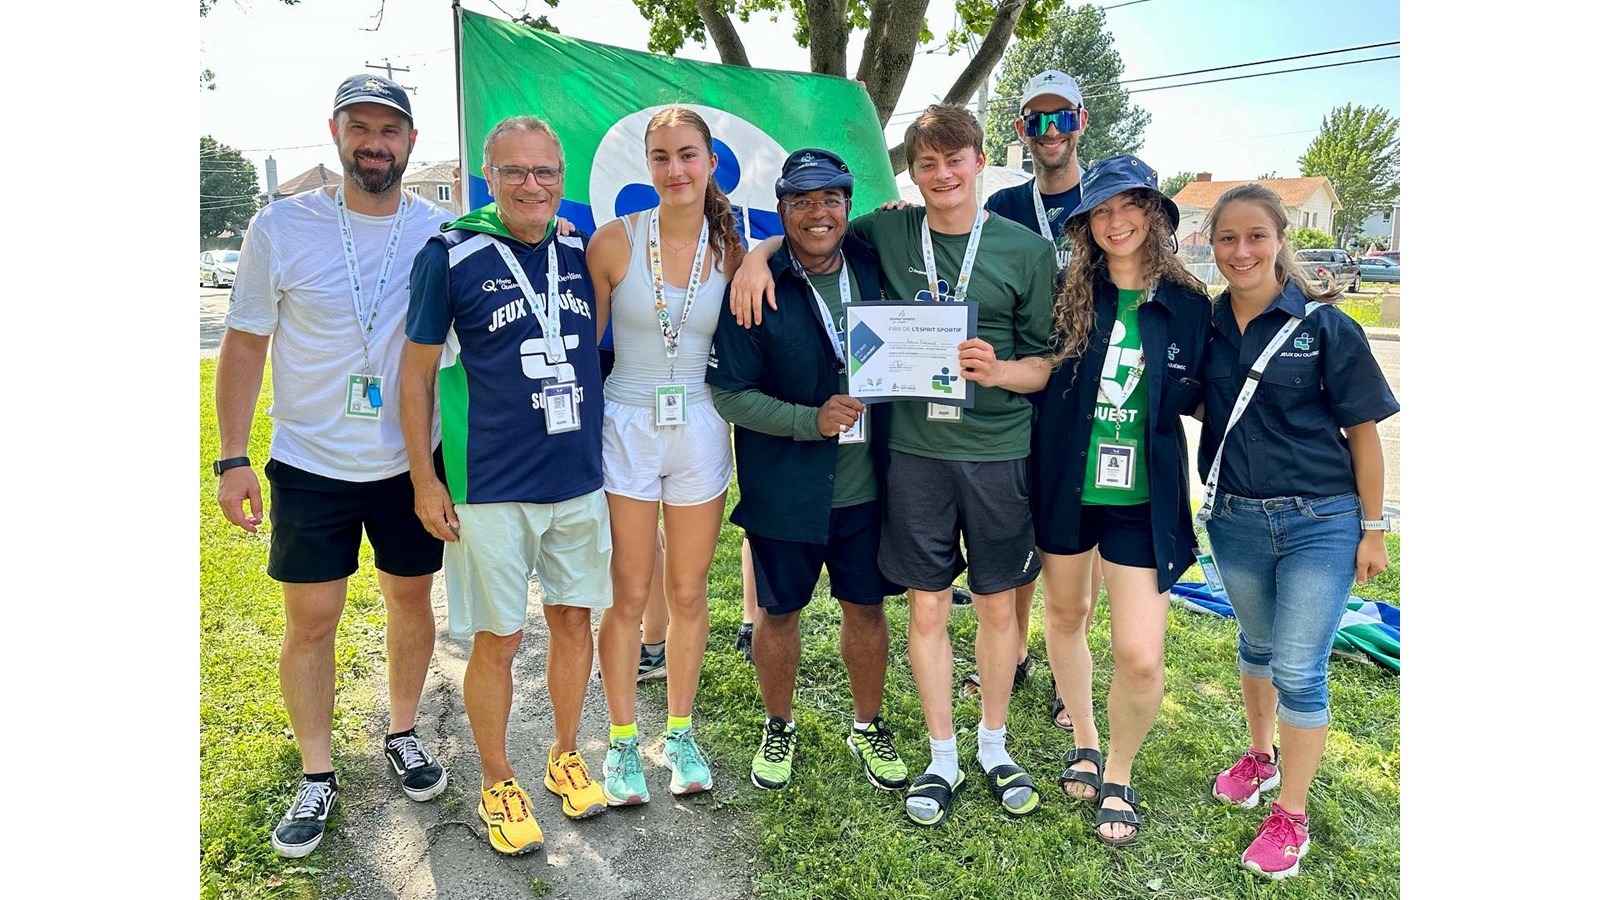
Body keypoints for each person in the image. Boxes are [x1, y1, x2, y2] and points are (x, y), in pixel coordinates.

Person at [731, 105, 1056, 826]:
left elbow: (1046, 363)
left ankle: (991, 744)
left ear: (978, 161)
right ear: (912, 173)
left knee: (995, 606)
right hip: (911, 456)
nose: (942, 175)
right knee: (925, 606)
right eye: (927, 164)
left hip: (994, 451)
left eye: (955, 160)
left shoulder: (1025, 251)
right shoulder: (889, 230)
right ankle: (940, 753)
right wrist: (756, 256)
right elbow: (799, 235)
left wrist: (1000, 372)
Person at [214, 74, 452, 859]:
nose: (375, 143)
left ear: (411, 142)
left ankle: (404, 730)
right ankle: (317, 773)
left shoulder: (443, 231)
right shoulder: (280, 226)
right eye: (361, 127)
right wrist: (231, 456)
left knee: (410, 601)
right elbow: (246, 343)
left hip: (408, 460)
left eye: (391, 129)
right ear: (336, 132)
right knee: (312, 621)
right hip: (309, 460)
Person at [399, 115, 614, 855]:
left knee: (572, 624)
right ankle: (497, 777)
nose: (532, 185)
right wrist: (426, 480)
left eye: (545, 172)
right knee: (497, 637)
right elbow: (417, 374)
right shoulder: (451, 252)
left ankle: (562, 755)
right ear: (489, 176)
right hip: (490, 486)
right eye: (515, 172)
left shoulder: (581, 245)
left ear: (562, 176)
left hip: (579, 479)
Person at [1199, 182, 1396, 879]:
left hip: (1322, 522)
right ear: (1211, 245)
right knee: (1254, 646)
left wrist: (1374, 530)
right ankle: (1259, 755)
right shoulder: (1208, 324)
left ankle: (1292, 813)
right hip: (1237, 520)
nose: (1242, 250)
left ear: (1280, 239)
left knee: (1298, 669)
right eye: (1228, 238)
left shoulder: (1326, 327)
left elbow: (1364, 435)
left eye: (1256, 235)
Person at [706, 148, 909, 793]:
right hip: (787, 485)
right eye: (801, 201)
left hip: (869, 484)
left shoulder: (877, 267)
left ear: (848, 206)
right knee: (778, 611)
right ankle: (777, 723)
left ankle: (869, 725)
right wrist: (806, 420)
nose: (818, 213)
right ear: (782, 209)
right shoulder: (755, 286)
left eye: (831, 199)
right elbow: (729, 392)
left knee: (867, 609)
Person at [1030, 155, 1211, 846]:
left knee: (1139, 653)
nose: (1116, 221)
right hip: (1068, 484)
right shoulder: (1067, 290)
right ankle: (1083, 736)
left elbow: (1210, 391)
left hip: (1144, 497)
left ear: (1155, 215)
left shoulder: (1191, 306)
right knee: (1068, 612)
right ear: (1085, 225)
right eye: (1100, 211)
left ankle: (1121, 774)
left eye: (1129, 205)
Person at [587, 106, 743, 803]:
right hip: (625, 420)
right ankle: (622, 743)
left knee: (686, 591)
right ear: (646, 166)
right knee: (628, 593)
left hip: (701, 427)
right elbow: (580, 346)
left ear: (711, 163)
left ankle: (679, 732)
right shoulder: (613, 242)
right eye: (660, 157)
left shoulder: (736, 249)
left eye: (687, 155)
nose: (674, 169)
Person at [972, 68, 1093, 726]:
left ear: (1081, 120)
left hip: (1088, 384)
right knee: (1019, 523)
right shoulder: (1006, 207)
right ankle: (1013, 652)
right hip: (1021, 380)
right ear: (1021, 130)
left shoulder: (1107, 199)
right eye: (1036, 121)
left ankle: (1065, 664)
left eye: (1062, 118)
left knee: (1080, 534)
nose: (1050, 132)